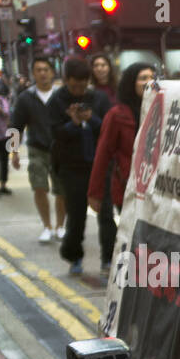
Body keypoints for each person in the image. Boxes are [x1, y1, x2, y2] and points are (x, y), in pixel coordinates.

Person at [48, 57, 112, 276]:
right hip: (71, 167)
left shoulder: (99, 99)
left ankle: (108, 259)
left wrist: (91, 118)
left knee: (106, 215)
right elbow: (54, 134)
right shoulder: (57, 100)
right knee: (76, 216)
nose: (79, 90)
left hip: (100, 165)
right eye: (74, 85)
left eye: (83, 85)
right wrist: (73, 123)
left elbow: (108, 129)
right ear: (66, 80)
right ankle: (74, 256)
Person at [88, 63, 154, 275]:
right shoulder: (117, 114)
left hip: (156, 186)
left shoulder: (161, 109)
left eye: (152, 77)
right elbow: (103, 154)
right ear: (130, 83)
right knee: (133, 233)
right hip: (127, 187)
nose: (148, 82)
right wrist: (95, 193)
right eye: (142, 78)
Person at [8, 57, 66, 243]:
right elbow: (16, 125)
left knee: (61, 191)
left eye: (46, 69)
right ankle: (47, 226)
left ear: (52, 72)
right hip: (36, 149)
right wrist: (14, 152)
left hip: (60, 149)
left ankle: (60, 226)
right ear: (33, 73)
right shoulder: (26, 97)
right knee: (39, 187)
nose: (43, 73)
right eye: (38, 70)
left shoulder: (61, 95)